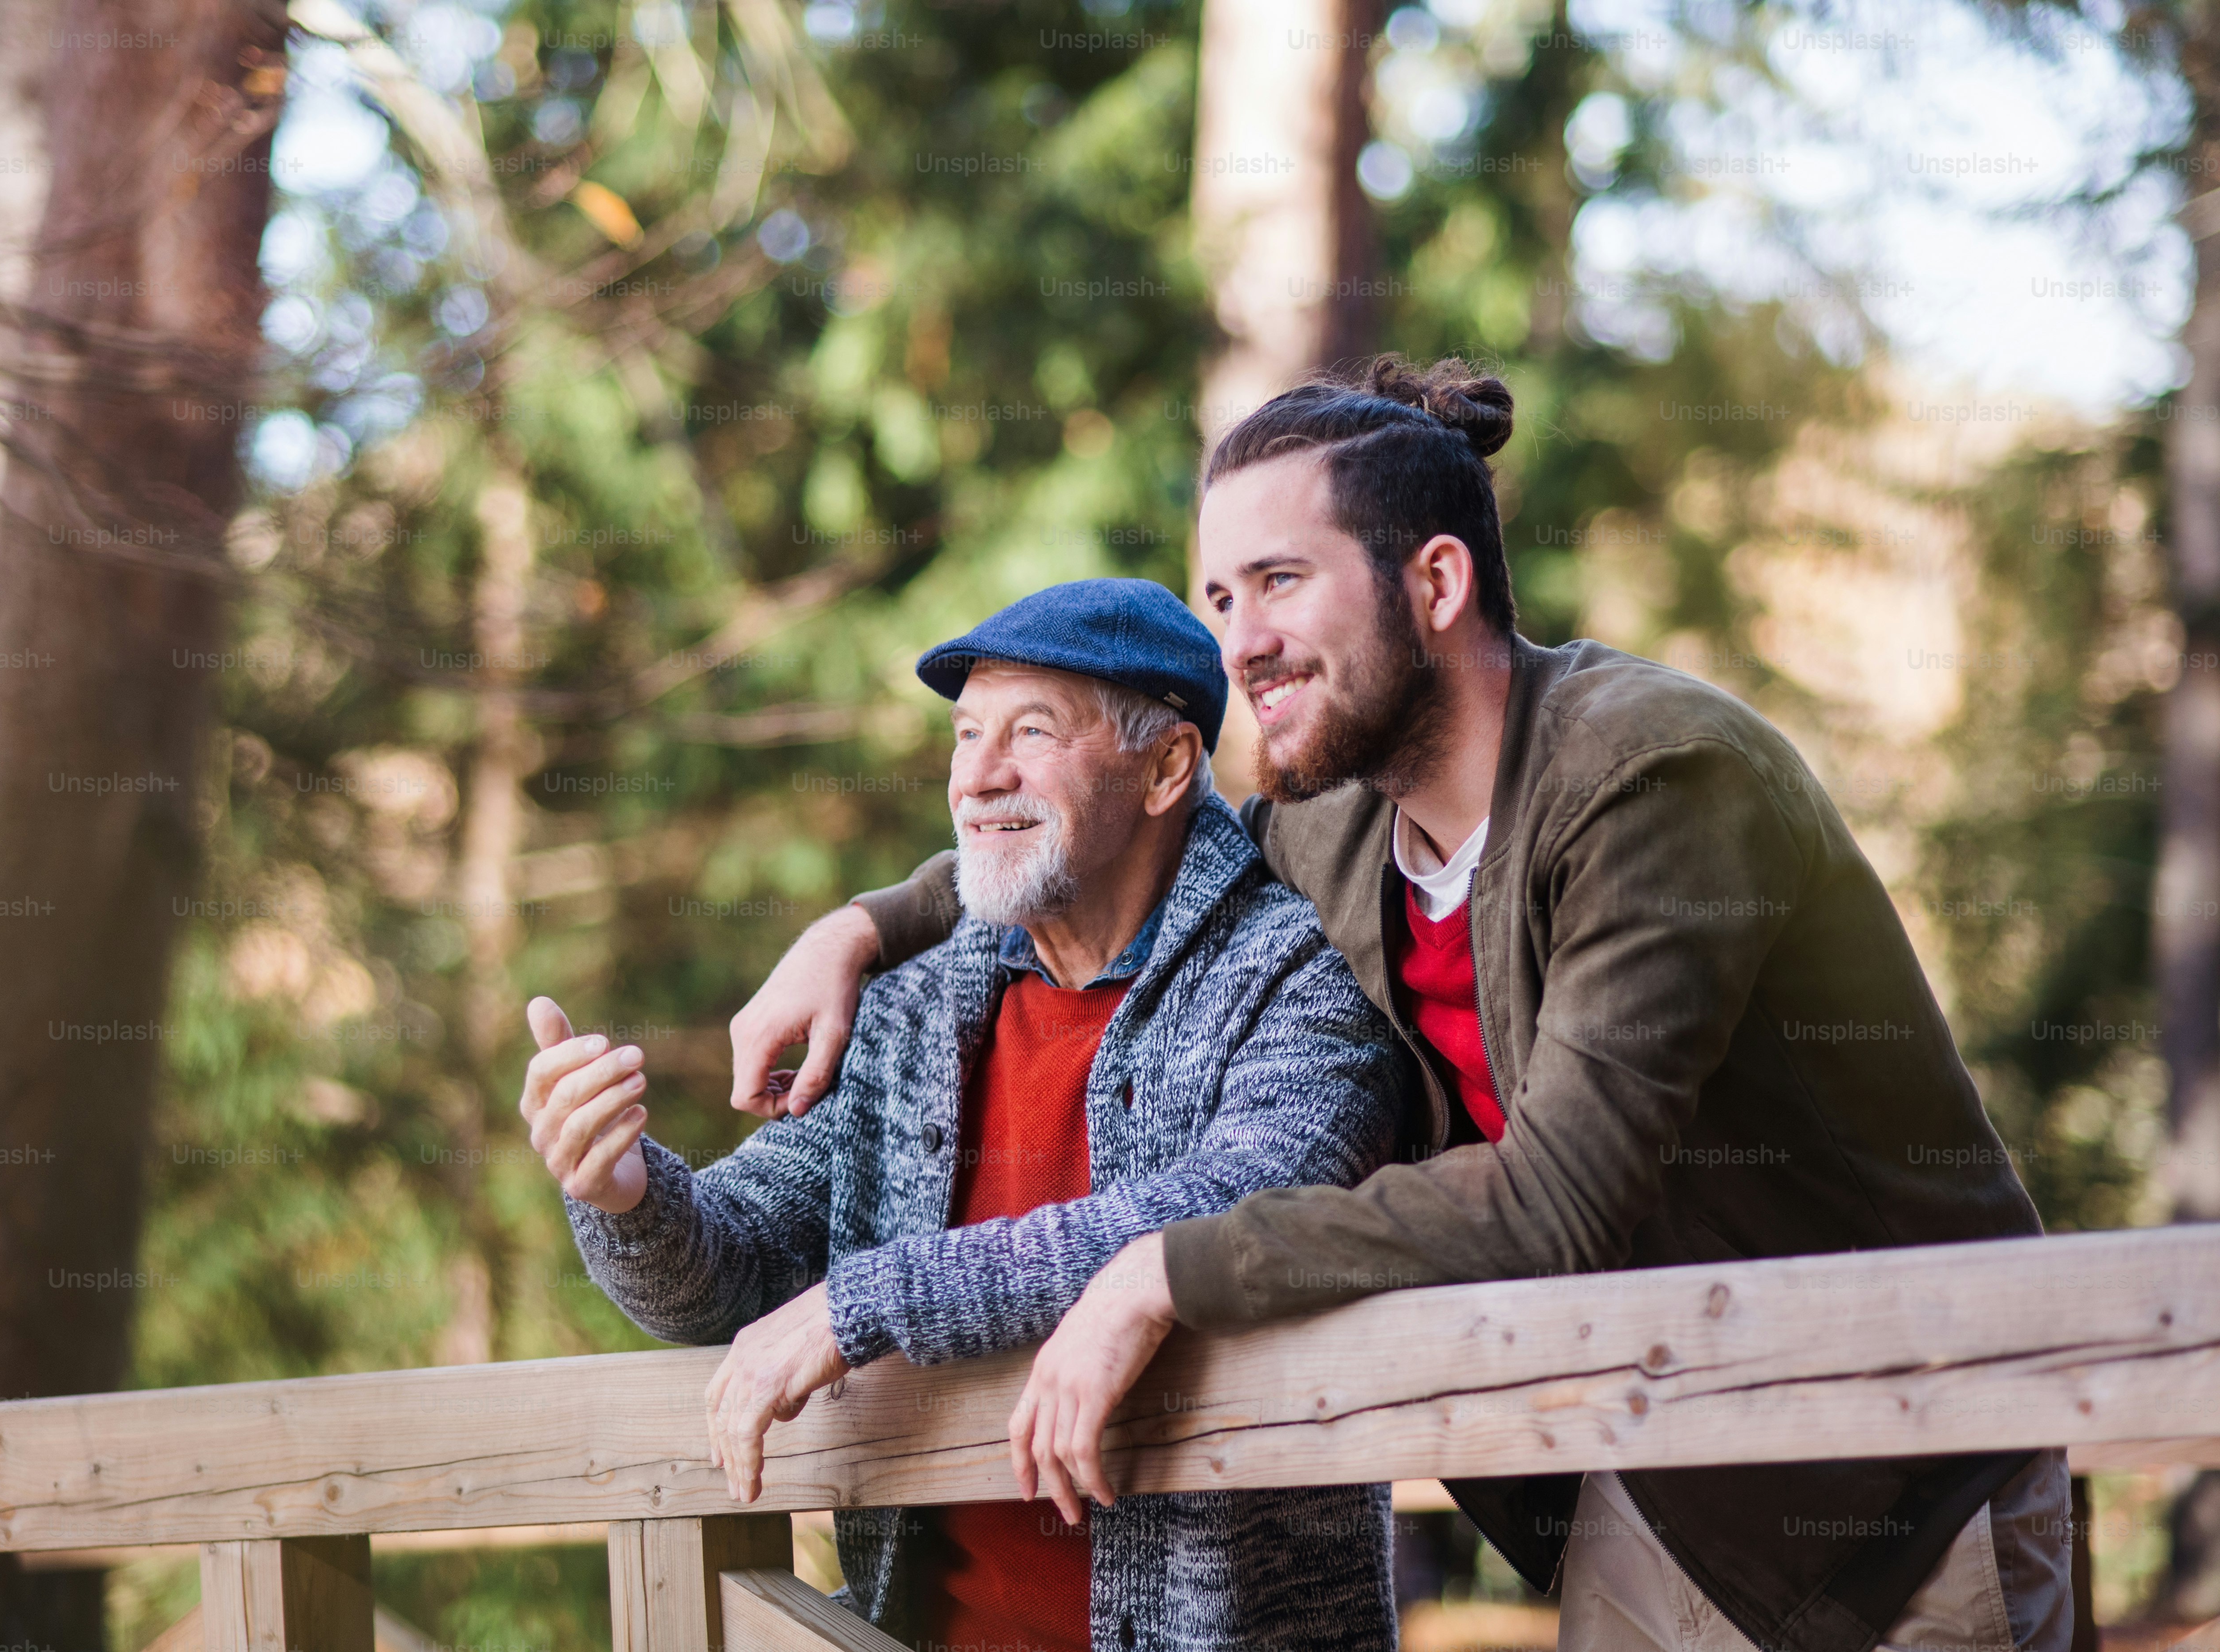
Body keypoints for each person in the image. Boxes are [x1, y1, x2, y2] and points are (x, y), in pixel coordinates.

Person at [730, 358, 2074, 1652]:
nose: (1238, 643)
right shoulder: (1340, 837)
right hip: (1661, 1466)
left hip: (1901, 1465)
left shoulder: (1658, 779)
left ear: (1434, 581)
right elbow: (1125, 838)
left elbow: (1560, 1198)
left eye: (1279, 582)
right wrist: (861, 927)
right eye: (1217, 596)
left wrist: (1164, 1270)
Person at [521, 578, 1411, 1652]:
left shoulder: (1301, 969)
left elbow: (1243, 1205)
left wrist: (867, 1301)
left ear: (1169, 765)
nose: (978, 775)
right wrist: (619, 1188)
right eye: (966, 733)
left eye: (1031, 731)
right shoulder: (913, 1008)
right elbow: (736, 1270)